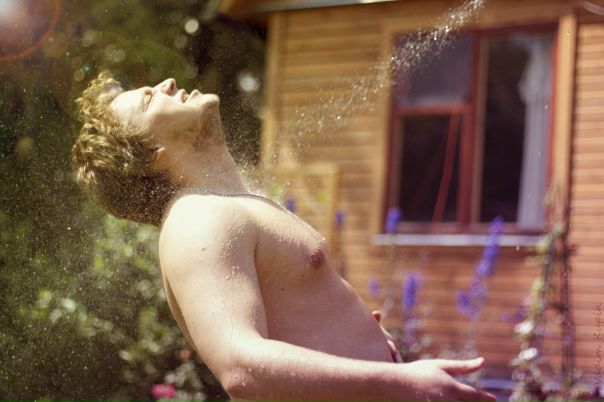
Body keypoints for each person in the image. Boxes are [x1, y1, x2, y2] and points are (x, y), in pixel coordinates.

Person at [72, 72, 497, 402]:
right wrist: (403, 382)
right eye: (149, 99)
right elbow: (240, 367)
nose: (166, 83)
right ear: (153, 154)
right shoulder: (199, 218)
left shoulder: (233, 204)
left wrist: (356, 336)